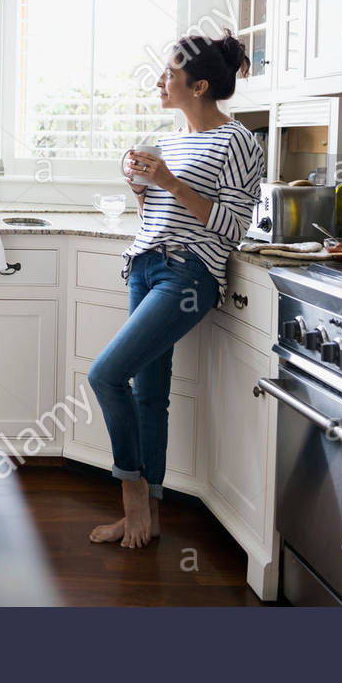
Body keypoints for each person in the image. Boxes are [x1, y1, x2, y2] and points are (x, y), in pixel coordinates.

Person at [87, 32, 263, 548]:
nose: (161, 79)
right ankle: (153, 512)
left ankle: (133, 497)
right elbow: (163, 215)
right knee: (150, 394)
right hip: (144, 265)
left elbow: (231, 227)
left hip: (188, 276)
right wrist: (143, 190)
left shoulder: (238, 142)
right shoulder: (172, 140)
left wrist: (170, 183)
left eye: (170, 72)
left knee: (106, 374)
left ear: (200, 84)